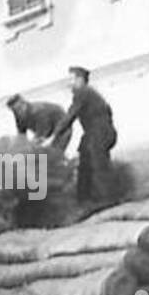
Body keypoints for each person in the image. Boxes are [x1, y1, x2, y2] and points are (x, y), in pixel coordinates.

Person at [50, 66, 117, 204]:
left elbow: (70, 115)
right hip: (95, 133)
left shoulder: (83, 92)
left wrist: (53, 136)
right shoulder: (88, 92)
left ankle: (109, 200)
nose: (69, 83)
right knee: (85, 165)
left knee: (99, 166)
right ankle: (84, 199)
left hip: (99, 132)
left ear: (80, 79)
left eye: (72, 79)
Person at [6, 93, 71, 148]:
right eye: (14, 110)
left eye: (19, 108)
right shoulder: (18, 116)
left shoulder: (38, 112)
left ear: (24, 103)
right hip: (46, 131)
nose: (19, 112)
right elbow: (21, 135)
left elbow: (42, 135)